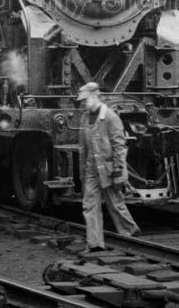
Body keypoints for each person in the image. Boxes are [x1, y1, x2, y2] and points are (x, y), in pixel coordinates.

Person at [76, 82, 140, 252]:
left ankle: (131, 232)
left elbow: (119, 146)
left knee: (115, 203)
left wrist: (119, 170)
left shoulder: (110, 117)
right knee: (89, 205)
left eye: (86, 99)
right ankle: (95, 244)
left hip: (109, 169)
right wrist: (82, 172)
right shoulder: (84, 117)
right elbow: (83, 147)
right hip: (91, 169)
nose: (83, 103)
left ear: (95, 96)